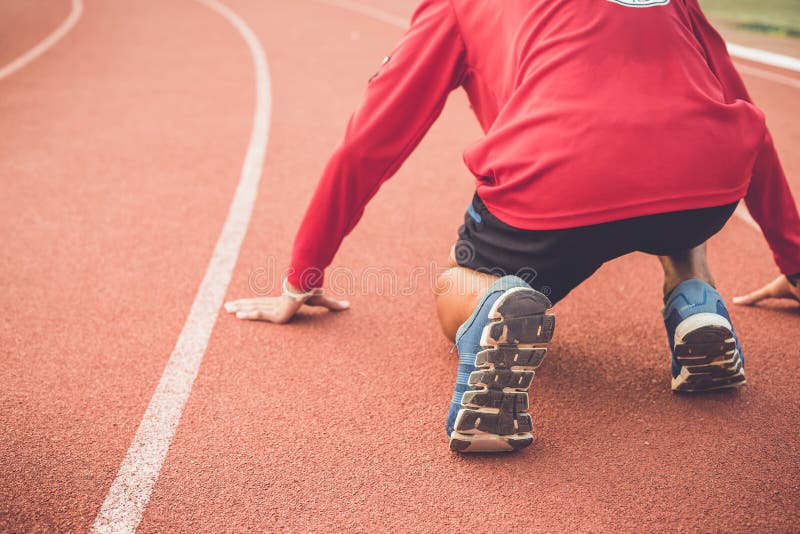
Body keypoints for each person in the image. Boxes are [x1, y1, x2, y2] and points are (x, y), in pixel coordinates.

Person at [225, 0, 800, 453]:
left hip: (560, 179)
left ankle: (492, 304)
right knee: (677, 146)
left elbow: (369, 142)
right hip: (704, 182)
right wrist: (794, 263)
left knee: (457, 285)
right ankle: (696, 301)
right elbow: (744, 110)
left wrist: (304, 271)